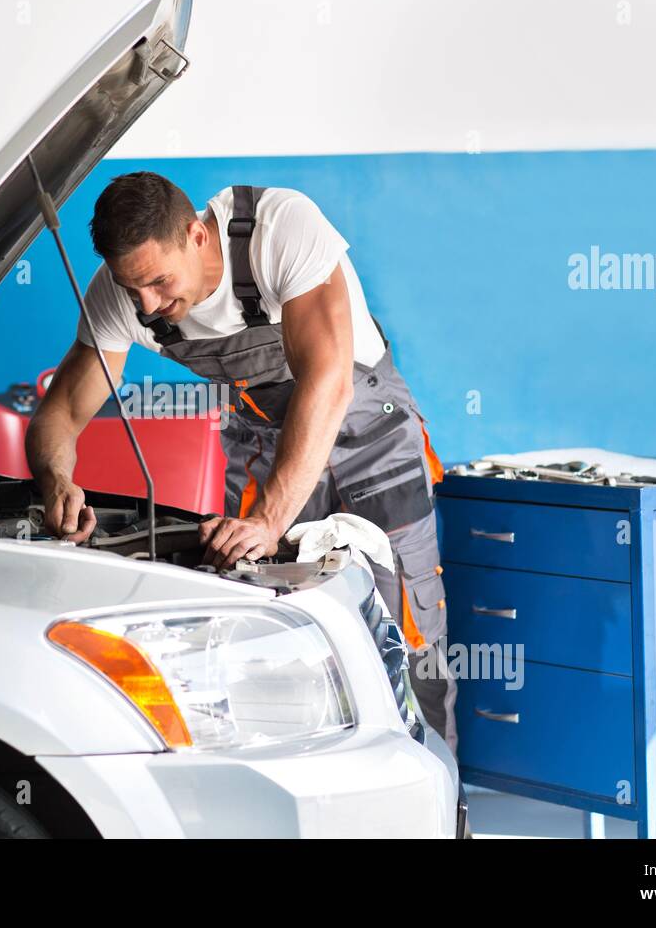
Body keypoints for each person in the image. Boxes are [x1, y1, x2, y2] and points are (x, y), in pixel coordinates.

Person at [25, 172, 456, 754]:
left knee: (410, 635)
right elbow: (61, 413)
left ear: (196, 235)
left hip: (369, 434)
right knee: (266, 630)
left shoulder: (279, 228)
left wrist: (270, 521)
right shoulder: (120, 294)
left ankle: (432, 799)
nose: (148, 304)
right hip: (261, 442)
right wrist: (57, 480)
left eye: (158, 281)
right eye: (134, 290)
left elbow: (328, 385)